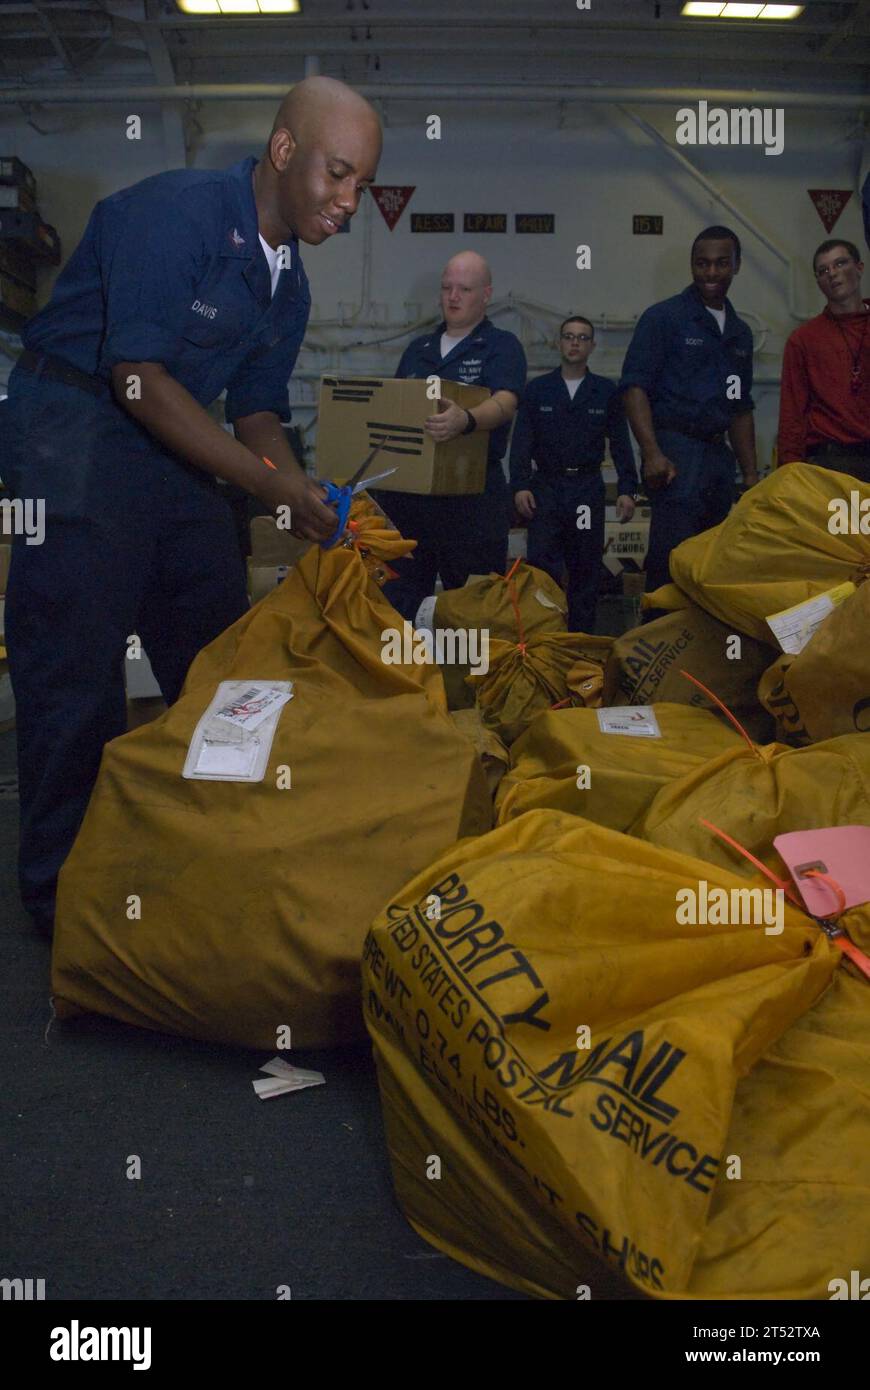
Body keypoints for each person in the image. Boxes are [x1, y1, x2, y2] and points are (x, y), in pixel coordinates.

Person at [0, 76, 382, 936]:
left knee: (216, 629)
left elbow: (256, 416)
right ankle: (64, 900)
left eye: (361, 185)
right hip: (75, 419)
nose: (350, 202)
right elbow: (136, 377)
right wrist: (264, 483)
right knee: (77, 657)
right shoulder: (178, 213)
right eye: (339, 174)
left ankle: (201, 841)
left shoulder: (290, 289)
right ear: (284, 152)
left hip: (163, 431)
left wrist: (305, 500)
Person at [371, 251, 527, 620]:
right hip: (410, 503)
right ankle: (407, 674)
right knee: (399, 606)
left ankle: (473, 676)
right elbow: (395, 407)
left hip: (471, 501)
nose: (453, 297)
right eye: (446, 288)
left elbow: (506, 401)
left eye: (464, 289)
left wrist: (467, 420)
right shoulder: (417, 350)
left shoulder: (501, 347)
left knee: (475, 608)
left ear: (486, 295)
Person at [619, 225, 758, 595]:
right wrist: (651, 454)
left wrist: (749, 475)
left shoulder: (741, 333)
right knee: (671, 559)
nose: (711, 273)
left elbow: (740, 407)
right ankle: (656, 646)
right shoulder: (663, 318)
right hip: (675, 454)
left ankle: (699, 649)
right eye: (702, 264)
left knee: (712, 562)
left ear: (736, 266)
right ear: (692, 266)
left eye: (720, 264)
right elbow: (634, 388)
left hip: (718, 460)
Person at [509, 314, 639, 632]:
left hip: (585, 489)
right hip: (547, 489)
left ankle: (581, 643)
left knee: (585, 568)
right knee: (542, 567)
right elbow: (522, 443)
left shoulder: (605, 392)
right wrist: (520, 485)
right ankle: (544, 640)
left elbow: (621, 443)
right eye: (569, 336)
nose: (575, 342)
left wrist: (627, 488)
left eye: (582, 338)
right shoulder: (538, 390)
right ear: (559, 342)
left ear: (591, 346)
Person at [777, 238, 870, 482]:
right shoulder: (803, 340)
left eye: (840, 263)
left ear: (859, 267)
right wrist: (789, 477)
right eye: (824, 270)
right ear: (818, 282)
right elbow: (792, 415)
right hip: (830, 464)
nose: (833, 274)